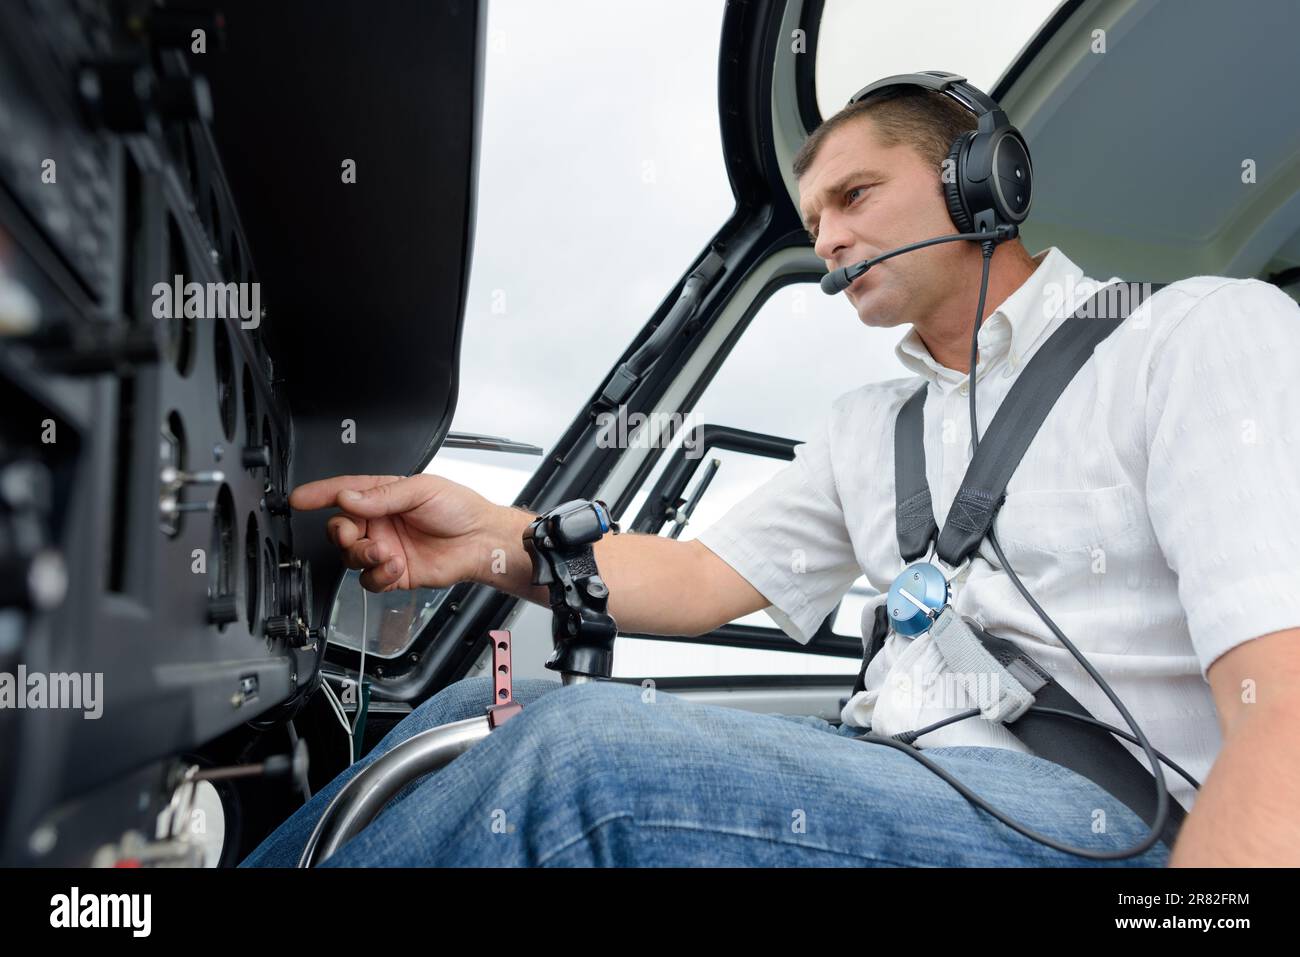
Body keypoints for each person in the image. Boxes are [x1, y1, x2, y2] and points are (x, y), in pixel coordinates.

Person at [242, 83, 1300, 868]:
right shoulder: (871, 426)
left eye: (853, 196)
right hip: (906, 775)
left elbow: (1283, 705)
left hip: (1115, 826)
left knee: (578, 759)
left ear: (982, 178)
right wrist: (479, 537)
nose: (830, 243)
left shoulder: (1196, 336)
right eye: (813, 225)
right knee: (477, 710)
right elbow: (703, 578)